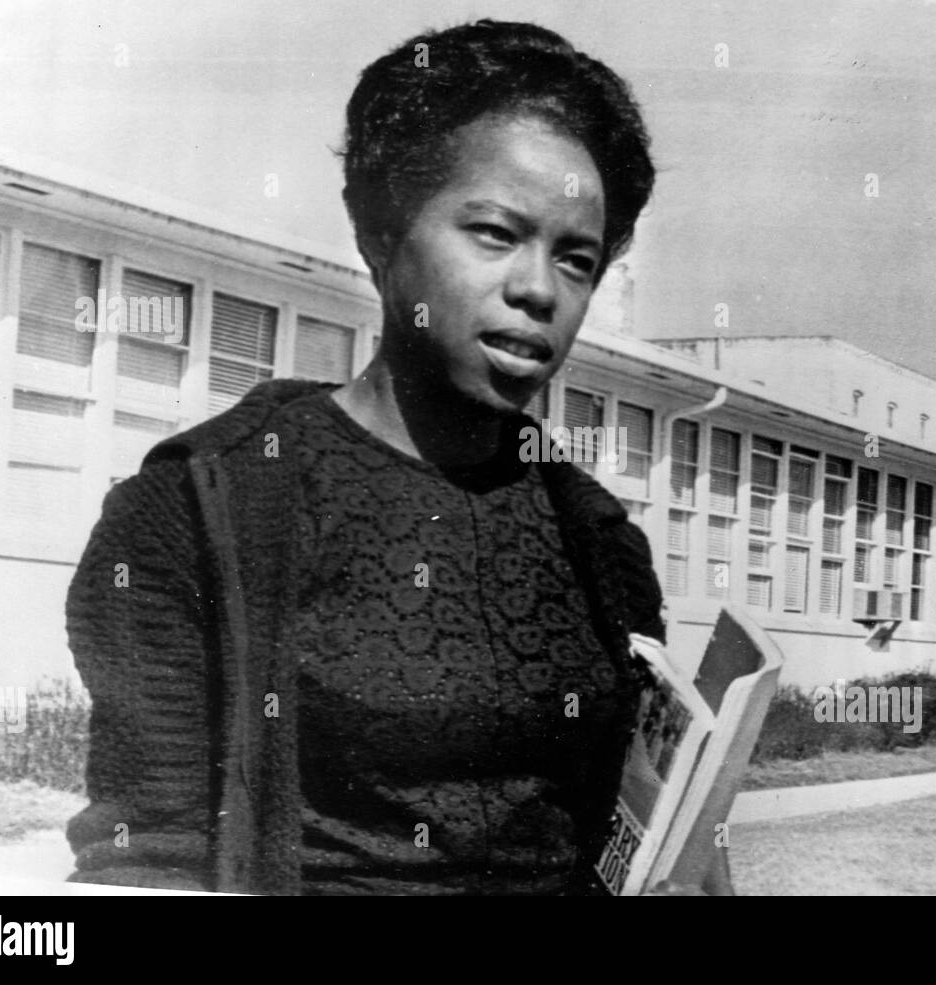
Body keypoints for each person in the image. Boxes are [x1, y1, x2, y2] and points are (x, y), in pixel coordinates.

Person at [64, 19, 731, 896]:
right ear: (380, 235)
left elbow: (651, 828)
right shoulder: (199, 509)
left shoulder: (599, 539)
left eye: (577, 259)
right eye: (495, 232)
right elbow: (146, 859)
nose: (539, 289)